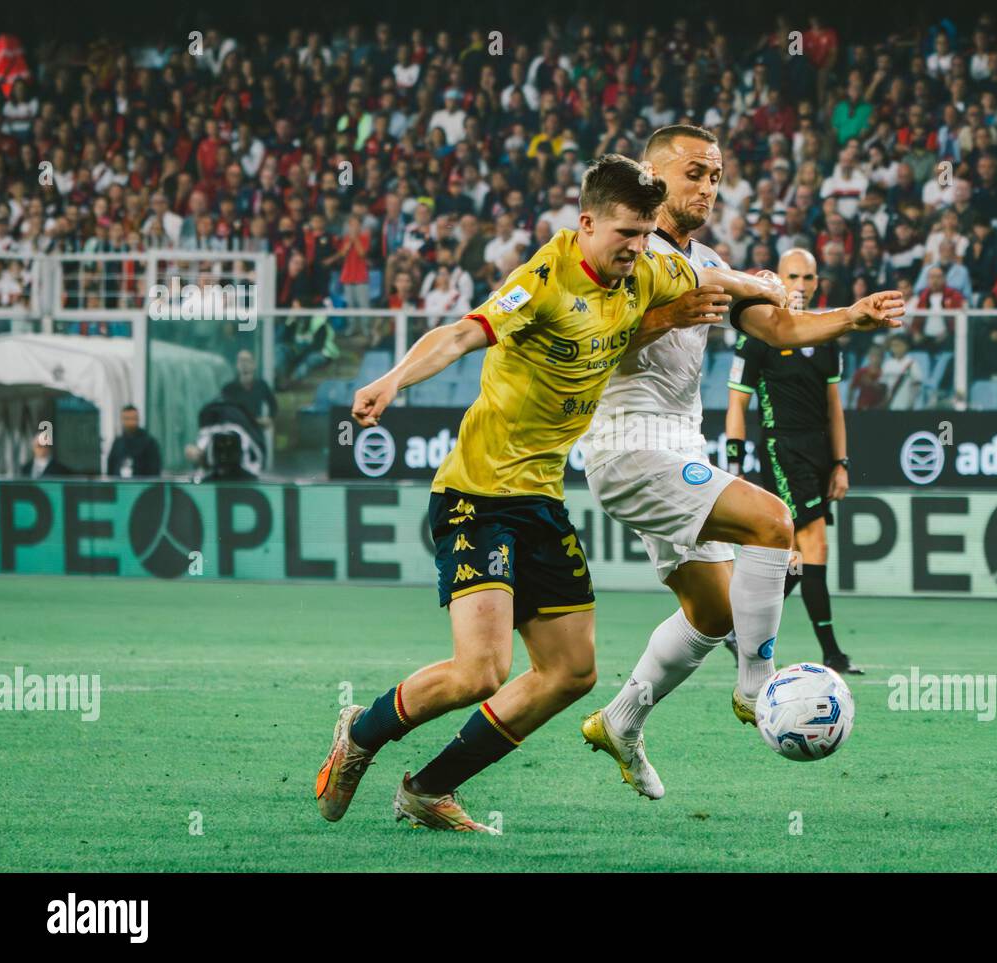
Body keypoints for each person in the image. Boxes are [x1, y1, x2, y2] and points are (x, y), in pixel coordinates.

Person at [315, 153, 787, 832]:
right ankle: (361, 731)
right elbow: (460, 333)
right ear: (587, 222)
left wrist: (757, 282)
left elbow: (710, 275)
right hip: (474, 492)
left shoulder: (648, 264)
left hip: (540, 499)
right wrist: (393, 381)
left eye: (645, 232)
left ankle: (428, 788)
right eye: (625, 232)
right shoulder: (543, 278)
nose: (637, 246)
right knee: (482, 669)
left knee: (570, 671)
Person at [578, 126, 901, 800]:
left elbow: (779, 327)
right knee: (773, 522)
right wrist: (668, 315)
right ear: (652, 172)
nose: (706, 187)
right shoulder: (627, 249)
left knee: (714, 609)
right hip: (629, 443)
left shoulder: (709, 260)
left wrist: (851, 317)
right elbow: (584, 331)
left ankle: (621, 719)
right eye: (693, 172)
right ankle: (758, 685)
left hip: (677, 446)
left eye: (716, 176)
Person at [724, 247, 863, 676]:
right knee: (815, 543)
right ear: (776, 281)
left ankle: (735, 628)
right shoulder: (758, 336)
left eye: (807, 278)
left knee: (797, 557)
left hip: (819, 452)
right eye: (792, 277)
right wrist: (734, 460)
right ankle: (833, 654)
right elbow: (736, 405)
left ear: (817, 283)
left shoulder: (825, 339)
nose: (800, 286)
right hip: (780, 450)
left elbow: (834, 407)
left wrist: (841, 462)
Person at [220, 350, 277, 430]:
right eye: (241, 361)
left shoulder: (262, 385)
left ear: (254, 364)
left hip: (256, 431)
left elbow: (273, 404)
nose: (244, 364)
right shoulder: (228, 388)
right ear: (237, 365)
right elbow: (222, 411)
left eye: (247, 360)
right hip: (236, 432)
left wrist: (269, 418)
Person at [106, 405, 161, 478]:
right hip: (119, 486)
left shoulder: (149, 443)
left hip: (141, 487)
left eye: (133, 419)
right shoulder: (117, 442)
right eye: (127, 419)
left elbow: (154, 470)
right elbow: (111, 467)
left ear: (138, 419)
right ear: (122, 420)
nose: (130, 422)